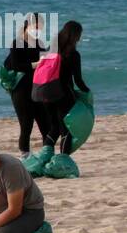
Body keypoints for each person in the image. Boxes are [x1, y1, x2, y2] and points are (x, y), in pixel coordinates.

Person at [36, 20, 89, 156]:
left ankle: (45, 156)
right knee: (66, 130)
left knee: (54, 128)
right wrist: (87, 92)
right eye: (79, 35)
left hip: (46, 93)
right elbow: (78, 80)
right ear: (75, 36)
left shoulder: (51, 50)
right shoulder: (73, 55)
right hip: (63, 95)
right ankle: (63, 160)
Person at [3, 14, 46, 156]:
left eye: (41, 27)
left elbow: (45, 62)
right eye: (36, 26)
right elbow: (16, 65)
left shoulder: (39, 43)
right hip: (20, 90)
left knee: (46, 124)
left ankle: (48, 153)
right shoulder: (17, 43)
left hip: (37, 88)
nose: (39, 30)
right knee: (26, 125)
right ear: (28, 26)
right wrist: (36, 65)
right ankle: (25, 156)